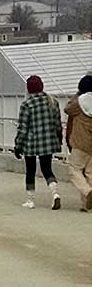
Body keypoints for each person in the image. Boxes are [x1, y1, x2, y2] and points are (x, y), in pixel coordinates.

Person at [14, 75, 63, 209]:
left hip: (31, 143)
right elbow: (58, 124)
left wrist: (18, 146)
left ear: (29, 89)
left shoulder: (27, 104)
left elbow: (23, 128)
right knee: (47, 169)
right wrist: (59, 139)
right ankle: (55, 194)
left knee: (30, 170)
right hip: (48, 142)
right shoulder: (53, 101)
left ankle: (30, 200)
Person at [65, 73, 92, 211]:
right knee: (89, 173)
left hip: (80, 142)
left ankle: (88, 192)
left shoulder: (80, 102)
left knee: (74, 170)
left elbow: (67, 108)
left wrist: (77, 94)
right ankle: (86, 205)